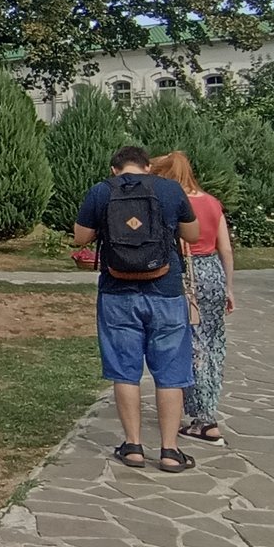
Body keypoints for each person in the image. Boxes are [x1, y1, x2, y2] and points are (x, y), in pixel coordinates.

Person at [74, 145, 202, 473]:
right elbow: (193, 233)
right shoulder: (169, 189)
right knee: (170, 373)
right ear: (147, 167)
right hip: (166, 291)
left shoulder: (101, 191)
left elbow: (80, 238)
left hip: (117, 292)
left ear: (114, 168)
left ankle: (132, 446)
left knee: (125, 371)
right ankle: (170, 450)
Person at [150, 151, 237, 447]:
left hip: (189, 274)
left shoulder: (174, 201)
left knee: (192, 344)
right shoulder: (212, 202)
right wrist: (229, 286)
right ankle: (208, 407)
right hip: (213, 270)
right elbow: (225, 248)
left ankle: (204, 417)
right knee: (213, 342)